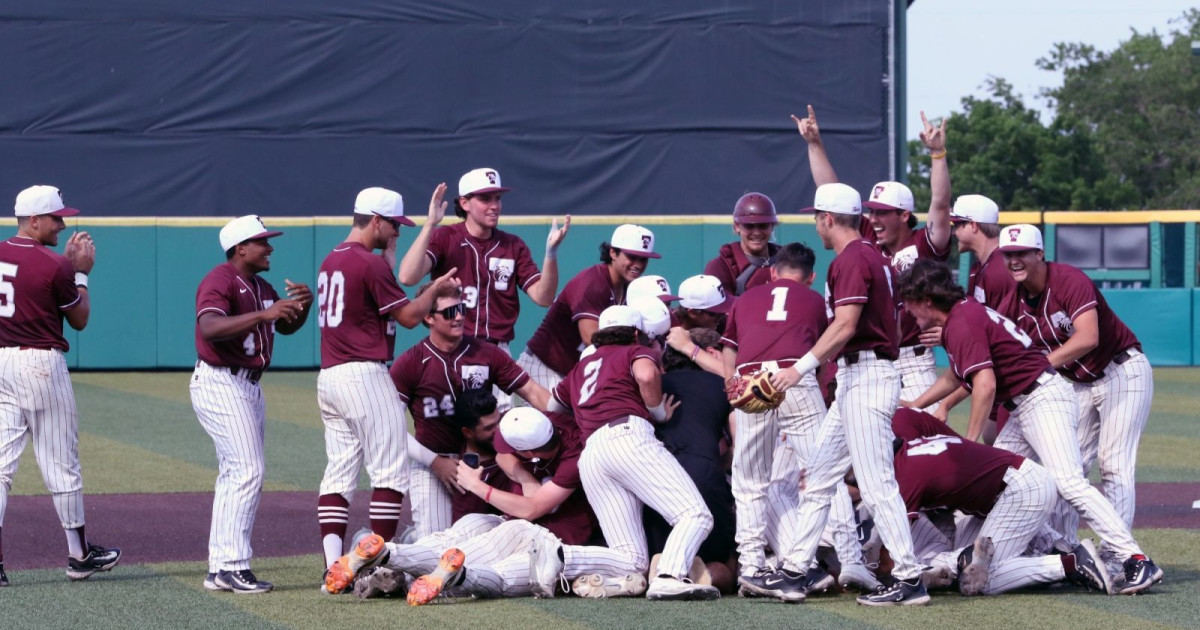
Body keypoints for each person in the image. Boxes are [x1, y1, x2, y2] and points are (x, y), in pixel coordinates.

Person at [897, 258, 1164, 594]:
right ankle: (1062, 552)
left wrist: (970, 442)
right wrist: (918, 404)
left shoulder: (961, 321)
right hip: (1027, 403)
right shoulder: (962, 315)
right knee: (996, 481)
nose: (908, 310)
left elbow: (985, 385)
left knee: (1068, 482)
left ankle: (1135, 557)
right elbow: (956, 375)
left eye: (909, 301)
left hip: (1042, 397)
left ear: (926, 300)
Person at [739, 183, 927, 606]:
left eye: (816, 218)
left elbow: (844, 325)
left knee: (876, 485)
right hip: (859, 376)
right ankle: (794, 571)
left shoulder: (852, 258)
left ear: (827, 218)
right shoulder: (873, 256)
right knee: (820, 479)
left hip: (868, 376)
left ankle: (910, 578)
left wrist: (798, 368)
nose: (816, 226)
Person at [326, 408, 644, 602]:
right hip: (512, 527)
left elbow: (532, 508)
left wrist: (480, 487)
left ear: (530, 452)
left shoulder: (570, 459)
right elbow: (506, 457)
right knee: (475, 557)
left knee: (460, 548)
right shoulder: (547, 424)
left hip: (533, 532)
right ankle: (407, 567)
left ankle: (390, 557)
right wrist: (522, 475)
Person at [314, 186, 460, 578]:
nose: (397, 231)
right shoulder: (368, 264)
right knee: (390, 473)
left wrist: (390, 260)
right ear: (376, 220)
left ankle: (333, 568)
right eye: (394, 225)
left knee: (339, 474)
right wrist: (434, 290)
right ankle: (379, 567)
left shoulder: (332, 258)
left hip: (330, 377)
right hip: (365, 375)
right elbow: (410, 318)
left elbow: (370, 297)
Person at [999, 224, 1155, 568]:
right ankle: (1064, 549)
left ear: (1040, 253)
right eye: (1008, 254)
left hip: (1121, 370)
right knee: (1069, 469)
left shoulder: (1069, 280)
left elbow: (1088, 337)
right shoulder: (1013, 302)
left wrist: (1038, 367)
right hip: (1078, 382)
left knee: (1113, 463)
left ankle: (1119, 555)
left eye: (1021, 252)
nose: (1014, 260)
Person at [548, 303, 720, 600]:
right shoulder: (634, 350)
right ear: (636, 333)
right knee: (695, 515)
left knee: (632, 560)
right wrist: (658, 411)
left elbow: (553, 405)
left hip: (591, 453)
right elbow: (646, 376)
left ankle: (558, 556)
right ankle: (669, 576)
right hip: (627, 436)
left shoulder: (580, 367)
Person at [0, 185, 119, 587]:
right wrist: (80, 272)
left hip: (1, 361)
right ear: (34, 221)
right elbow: (80, 319)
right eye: (56, 218)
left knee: (0, 469)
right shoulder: (54, 265)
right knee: (61, 465)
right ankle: (79, 555)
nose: (62, 224)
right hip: (39, 363)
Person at [191, 215, 312, 593]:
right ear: (241, 248)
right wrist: (264, 313)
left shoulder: (260, 285)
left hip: (247, 385)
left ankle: (220, 568)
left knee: (236, 474)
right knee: (247, 470)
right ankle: (232, 566)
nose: (270, 247)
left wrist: (302, 307)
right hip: (221, 381)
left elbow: (284, 324)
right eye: (262, 242)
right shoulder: (220, 279)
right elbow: (209, 327)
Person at [397, 171, 570, 409]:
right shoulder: (446, 237)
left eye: (497, 198)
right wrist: (430, 224)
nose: (494, 206)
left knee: (500, 426)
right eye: (485, 199)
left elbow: (543, 297)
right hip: (453, 348)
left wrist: (551, 254)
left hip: (496, 353)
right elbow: (407, 277)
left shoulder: (512, 245)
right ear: (465, 203)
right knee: (452, 425)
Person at [390, 284, 550, 538]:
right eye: (449, 312)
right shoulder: (409, 363)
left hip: (485, 459)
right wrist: (434, 462)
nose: (458, 317)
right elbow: (388, 426)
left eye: (461, 309)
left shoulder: (486, 353)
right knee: (435, 545)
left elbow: (532, 391)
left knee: (494, 536)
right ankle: (411, 539)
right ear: (428, 317)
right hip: (432, 461)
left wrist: (567, 416)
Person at [889, 423, 1113, 596]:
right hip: (1004, 491)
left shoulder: (905, 474)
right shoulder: (911, 447)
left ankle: (1072, 562)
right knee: (968, 565)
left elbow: (893, 555)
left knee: (985, 580)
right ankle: (962, 559)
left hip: (1020, 490)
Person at [642, 328, 737, 594]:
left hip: (652, 481)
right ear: (711, 354)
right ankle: (704, 574)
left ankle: (661, 568)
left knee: (646, 556)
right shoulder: (724, 385)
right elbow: (739, 448)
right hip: (702, 474)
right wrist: (719, 465)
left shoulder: (654, 386)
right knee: (723, 569)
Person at [517, 224, 661, 391]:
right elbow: (592, 339)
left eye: (643, 259)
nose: (638, 264)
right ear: (613, 253)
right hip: (544, 368)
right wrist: (639, 351)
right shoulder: (593, 282)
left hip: (575, 373)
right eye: (632, 257)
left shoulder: (631, 288)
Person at [704, 193, 780, 296]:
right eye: (749, 226)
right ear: (737, 226)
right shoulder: (721, 267)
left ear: (772, 226)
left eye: (763, 225)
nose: (756, 233)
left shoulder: (788, 260)